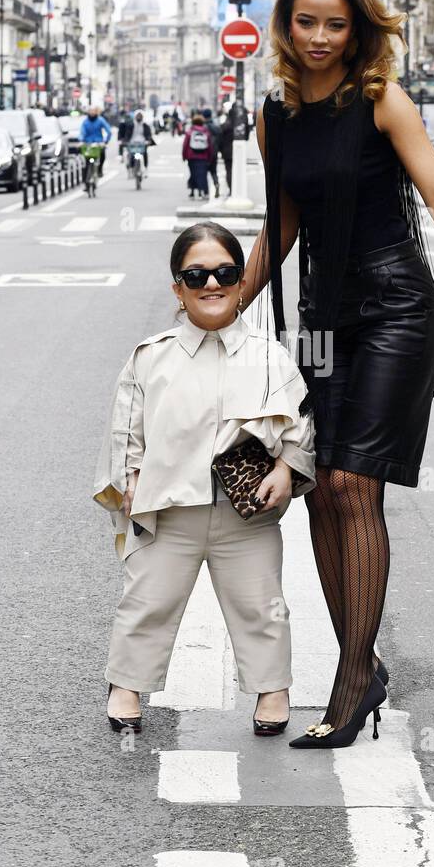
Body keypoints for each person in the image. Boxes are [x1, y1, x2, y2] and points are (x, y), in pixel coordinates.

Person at [242, 0, 434, 749]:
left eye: (337, 24)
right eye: (307, 22)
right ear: (286, 27)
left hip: (395, 307)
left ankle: (353, 679)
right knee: (319, 490)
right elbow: (281, 226)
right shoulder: (276, 116)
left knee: (355, 482)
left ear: (357, 30)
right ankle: (364, 658)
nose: (321, 37)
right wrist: (220, 308)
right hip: (323, 317)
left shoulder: (382, 99)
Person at [93, 221, 316, 736]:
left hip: (247, 513)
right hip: (168, 508)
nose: (211, 284)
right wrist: (130, 480)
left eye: (225, 273)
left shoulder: (271, 357)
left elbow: (301, 425)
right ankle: (127, 685)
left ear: (242, 283)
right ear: (178, 288)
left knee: (261, 606)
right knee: (148, 601)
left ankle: (272, 689)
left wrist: (287, 470)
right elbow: (126, 429)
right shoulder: (151, 357)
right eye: (196, 276)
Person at [182, 112, 216, 200]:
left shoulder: (190, 132)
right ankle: (203, 192)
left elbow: (185, 145)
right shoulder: (206, 132)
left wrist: (184, 156)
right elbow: (210, 146)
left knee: (193, 174)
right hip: (203, 157)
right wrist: (210, 157)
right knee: (202, 175)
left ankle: (192, 192)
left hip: (191, 157)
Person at [79, 103, 112, 188]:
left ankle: (99, 170)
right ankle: (85, 181)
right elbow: (82, 132)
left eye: (93, 111)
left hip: (98, 142)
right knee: (86, 163)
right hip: (88, 143)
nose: (92, 112)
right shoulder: (85, 122)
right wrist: (81, 140)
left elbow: (108, 130)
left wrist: (105, 141)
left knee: (102, 155)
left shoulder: (100, 120)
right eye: (90, 111)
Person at [201, 108, 223, 198]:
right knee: (214, 171)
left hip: (204, 153)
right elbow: (220, 140)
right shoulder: (216, 127)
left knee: (203, 172)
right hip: (214, 153)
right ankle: (216, 184)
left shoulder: (202, 127)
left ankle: (205, 191)